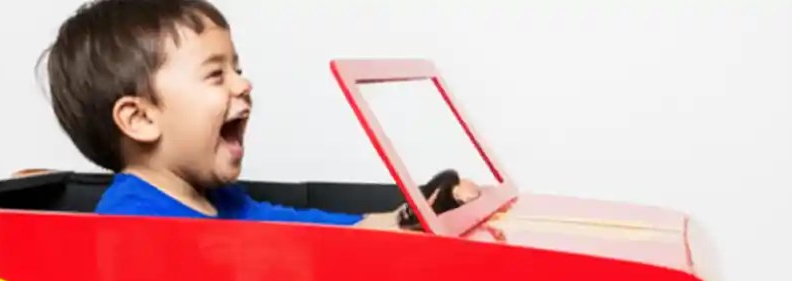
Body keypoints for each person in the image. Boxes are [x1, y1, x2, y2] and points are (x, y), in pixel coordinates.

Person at [39, 0, 479, 229]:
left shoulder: (221, 202)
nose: (243, 84)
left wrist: (409, 218)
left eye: (238, 69)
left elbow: (307, 227)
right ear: (140, 120)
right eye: (215, 75)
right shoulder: (132, 225)